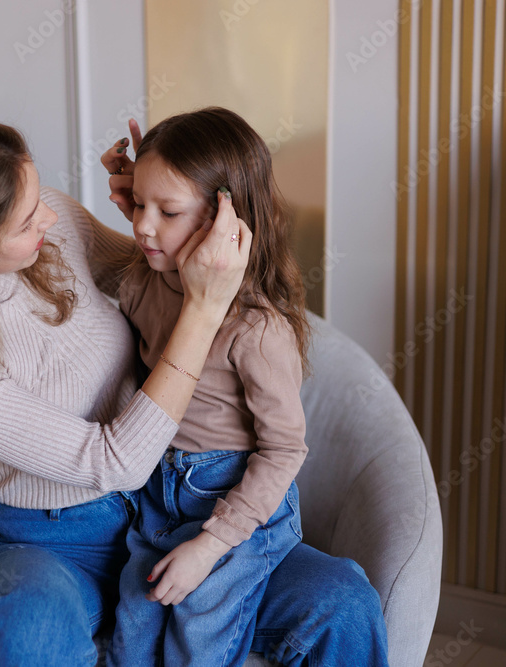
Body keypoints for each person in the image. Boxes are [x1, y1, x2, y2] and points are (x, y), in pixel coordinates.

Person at [0, 105, 389, 666]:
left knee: (341, 601)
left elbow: (152, 269)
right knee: (24, 637)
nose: (50, 218)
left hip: (178, 507)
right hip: (55, 540)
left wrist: (155, 205)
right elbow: (116, 460)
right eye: (27, 219)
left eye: (39, 199)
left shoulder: (52, 219)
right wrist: (202, 311)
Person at [104, 107, 329, 667]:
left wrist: (209, 547)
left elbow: (284, 450)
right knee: (133, 621)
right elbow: (100, 260)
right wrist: (133, 195)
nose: (142, 226)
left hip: (236, 508)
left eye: (168, 211)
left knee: (199, 632)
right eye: (138, 205)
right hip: (160, 494)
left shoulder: (255, 329)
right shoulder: (146, 280)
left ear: (227, 222)